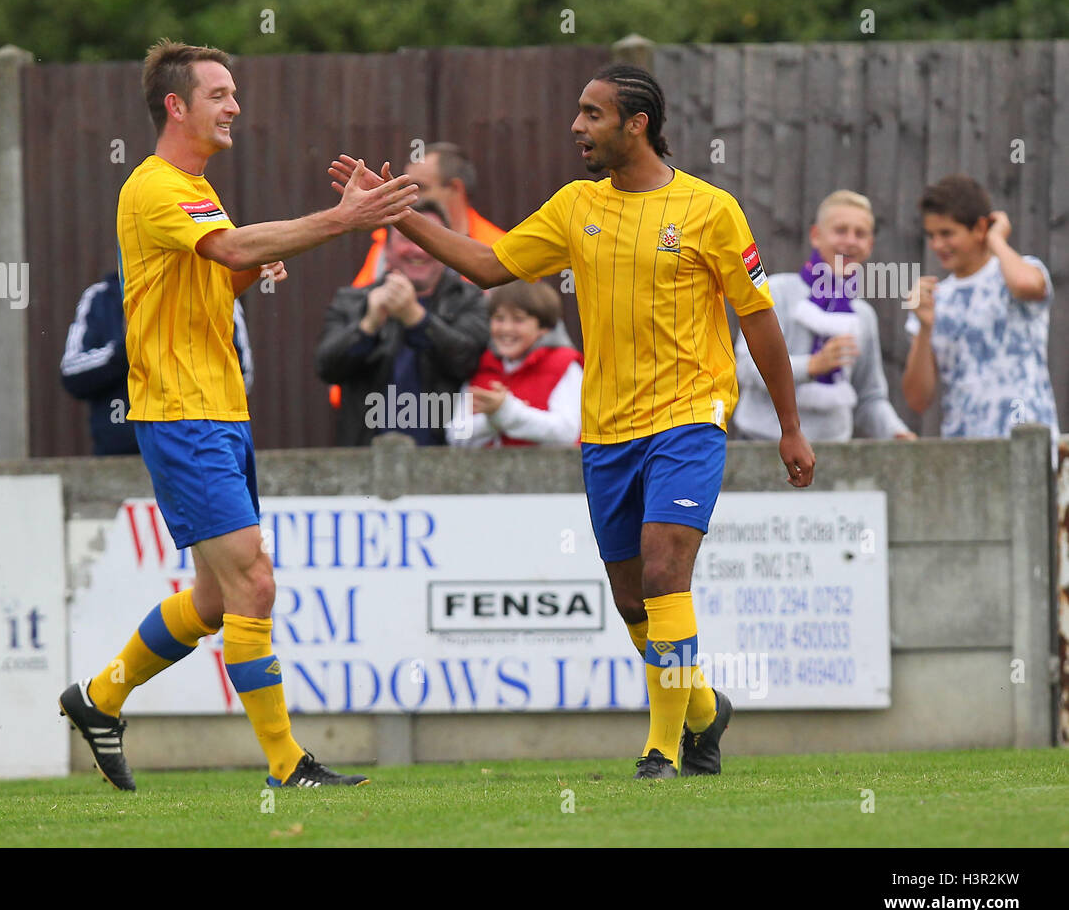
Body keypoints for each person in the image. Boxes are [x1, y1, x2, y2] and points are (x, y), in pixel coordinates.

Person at [329, 63, 815, 780]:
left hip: (690, 417)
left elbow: (759, 322)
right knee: (629, 596)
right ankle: (704, 711)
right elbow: (489, 266)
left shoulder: (711, 210)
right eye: (578, 113)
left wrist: (789, 425)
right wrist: (396, 213)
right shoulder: (575, 206)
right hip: (606, 428)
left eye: (592, 114)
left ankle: (660, 748)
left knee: (663, 568)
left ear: (636, 124)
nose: (576, 127)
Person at [58, 39, 418, 791]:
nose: (235, 106)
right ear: (176, 106)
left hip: (218, 410)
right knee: (255, 581)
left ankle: (100, 697)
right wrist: (339, 221)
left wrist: (247, 269)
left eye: (234, 92)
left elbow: (210, 278)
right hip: (181, 414)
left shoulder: (193, 187)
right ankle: (288, 767)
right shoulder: (157, 186)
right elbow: (226, 245)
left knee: (219, 598)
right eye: (220, 93)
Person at [734, 190, 914, 442]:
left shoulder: (863, 316)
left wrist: (898, 433)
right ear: (816, 236)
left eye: (860, 234)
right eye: (841, 231)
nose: (850, 241)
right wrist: (812, 365)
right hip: (761, 446)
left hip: (831, 455)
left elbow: (869, 398)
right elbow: (745, 368)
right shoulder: (777, 291)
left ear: (870, 245)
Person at [903, 175, 1057, 462]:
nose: (937, 244)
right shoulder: (935, 297)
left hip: (1028, 450)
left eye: (947, 233)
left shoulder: (1021, 271)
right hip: (964, 454)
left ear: (980, 228)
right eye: (931, 235)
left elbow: (1027, 286)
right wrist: (925, 328)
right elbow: (917, 398)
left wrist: (997, 239)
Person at [315, 198, 488, 446]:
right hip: (367, 464)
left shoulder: (470, 300)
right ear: (385, 249)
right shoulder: (352, 300)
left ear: (445, 247)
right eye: (407, 239)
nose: (418, 250)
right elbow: (326, 367)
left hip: (449, 465)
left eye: (427, 240)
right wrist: (368, 326)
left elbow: (469, 361)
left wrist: (416, 319)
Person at [60, 272, 255, 456]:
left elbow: (240, 376)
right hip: (120, 454)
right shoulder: (101, 296)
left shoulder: (214, 287)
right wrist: (131, 348)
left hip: (196, 446)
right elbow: (72, 373)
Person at [447, 280, 582, 448]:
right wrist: (494, 419)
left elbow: (568, 433)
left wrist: (507, 411)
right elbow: (455, 435)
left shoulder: (564, 366)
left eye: (518, 320)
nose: (506, 328)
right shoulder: (483, 366)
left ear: (544, 327)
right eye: (499, 318)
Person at [350, 141, 504, 288]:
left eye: (420, 188)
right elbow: (358, 306)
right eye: (406, 188)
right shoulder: (388, 242)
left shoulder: (496, 248)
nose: (408, 196)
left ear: (456, 188)